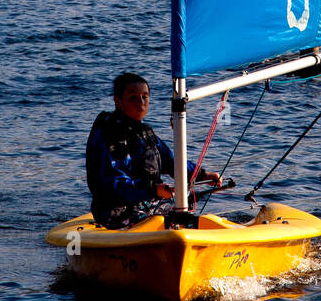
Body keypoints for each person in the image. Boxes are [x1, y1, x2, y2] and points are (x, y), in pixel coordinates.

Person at [86, 73, 221, 228]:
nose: (141, 102)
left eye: (145, 96)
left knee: (187, 202)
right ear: (118, 101)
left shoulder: (144, 132)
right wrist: (153, 190)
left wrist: (202, 175)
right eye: (133, 97)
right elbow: (114, 183)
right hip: (113, 211)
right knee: (177, 216)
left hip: (146, 203)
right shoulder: (109, 133)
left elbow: (170, 162)